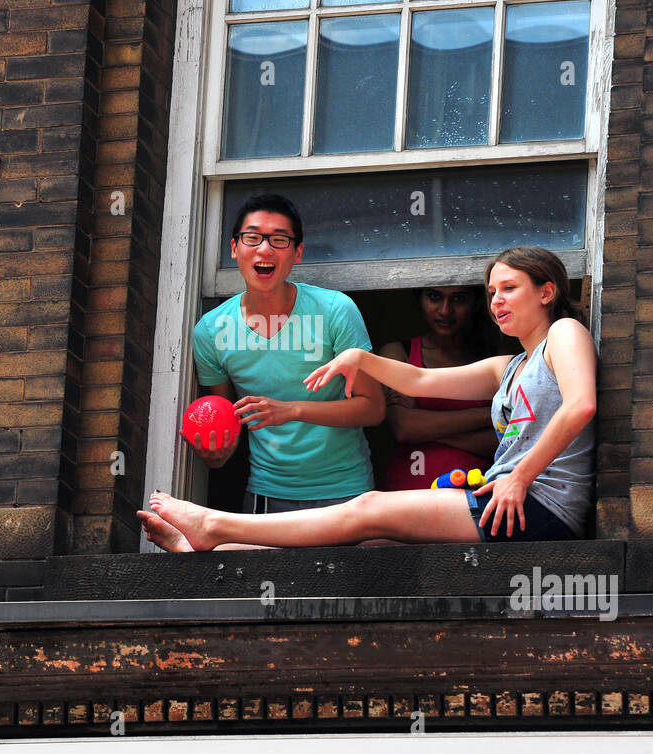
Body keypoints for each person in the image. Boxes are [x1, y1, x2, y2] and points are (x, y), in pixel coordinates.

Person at [141, 246, 595, 550]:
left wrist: (519, 479)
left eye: (509, 288)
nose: (496, 300)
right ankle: (224, 547)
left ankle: (214, 526)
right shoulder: (509, 365)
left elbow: (580, 405)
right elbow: (418, 382)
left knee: (367, 508)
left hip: (540, 505)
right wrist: (360, 356)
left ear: (547, 291)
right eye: (492, 291)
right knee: (374, 543)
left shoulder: (564, 333)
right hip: (505, 502)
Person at [188, 193, 385, 514]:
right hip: (267, 492)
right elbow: (229, 422)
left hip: (347, 489)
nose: (264, 249)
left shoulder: (336, 310)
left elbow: (373, 408)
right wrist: (217, 452)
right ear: (234, 247)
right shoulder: (210, 331)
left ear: (298, 253)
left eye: (279, 240)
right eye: (252, 238)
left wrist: (292, 410)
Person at [379, 285, 497, 491]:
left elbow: (501, 443)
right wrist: (487, 415)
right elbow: (403, 428)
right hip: (410, 491)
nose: (445, 310)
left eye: (459, 299)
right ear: (419, 299)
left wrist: (425, 427)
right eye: (434, 297)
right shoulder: (399, 354)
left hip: (475, 494)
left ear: (476, 302)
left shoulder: (497, 361)